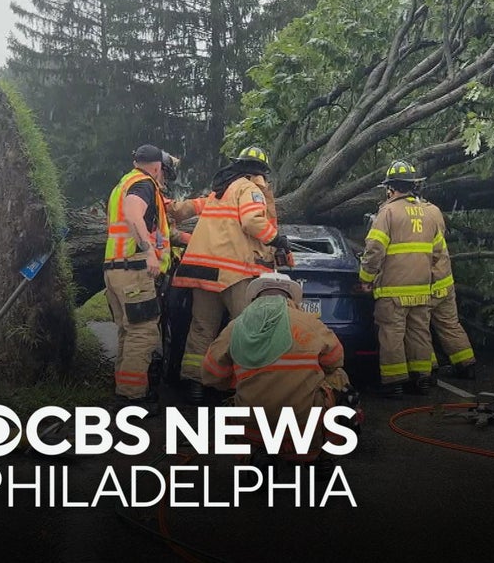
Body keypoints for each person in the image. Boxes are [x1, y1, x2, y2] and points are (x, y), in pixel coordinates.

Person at [171, 146, 291, 404]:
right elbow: (251, 222)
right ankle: (244, 385)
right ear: (260, 172)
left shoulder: (220, 191)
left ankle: (194, 383)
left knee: (202, 327)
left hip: (202, 270)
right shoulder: (250, 189)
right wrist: (277, 239)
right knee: (243, 328)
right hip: (232, 272)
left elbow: (189, 209)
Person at [201, 272, 359, 469]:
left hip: (252, 428)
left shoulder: (235, 326)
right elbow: (335, 361)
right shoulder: (310, 323)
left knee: (233, 397)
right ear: (290, 298)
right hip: (303, 430)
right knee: (338, 376)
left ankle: (252, 456)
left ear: (256, 297)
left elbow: (211, 375)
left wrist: (241, 376)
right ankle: (323, 456)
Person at [358, 160, 444, 397]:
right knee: (419, 333)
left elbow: (374, 248)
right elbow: (438, 252)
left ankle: (395, 383)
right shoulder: (428, 213)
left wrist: (366, 278)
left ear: (391, 188)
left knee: (392, 334)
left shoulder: (387, 212)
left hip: (393, 290)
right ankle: (422, 380)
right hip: (421, 288)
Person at [103, 144, 179, 412]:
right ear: (157, 167)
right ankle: (133, 398)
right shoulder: (144, 185)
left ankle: (124, 390)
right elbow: (134, 214)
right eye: (164, 174)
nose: (164, 179)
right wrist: (149, 253)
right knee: (143, 333)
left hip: (115, 268)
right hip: (134, 269)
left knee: (128, 330)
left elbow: (147, 226)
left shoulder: (123, 184)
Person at [418, 189, 478, 379]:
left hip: (426, 283)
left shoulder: (409, 219)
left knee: (419, 328)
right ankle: (466, 364)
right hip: (445, 281)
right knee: (449, 324)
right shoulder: (434, 211)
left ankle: (429, 368)